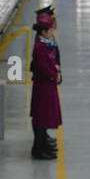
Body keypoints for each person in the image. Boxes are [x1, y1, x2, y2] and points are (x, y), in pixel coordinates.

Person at [29, 11, 62, 160]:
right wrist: (54, 74)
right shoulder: (40, 47)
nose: (52, 31)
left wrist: (56, 71)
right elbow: (43, 67)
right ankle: (38, 148)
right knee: (41, 117)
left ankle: (42, 145)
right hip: (43, 87)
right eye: (50, 30)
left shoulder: (45, 44)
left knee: (44, 116)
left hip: (47, 87)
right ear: (43, 31)